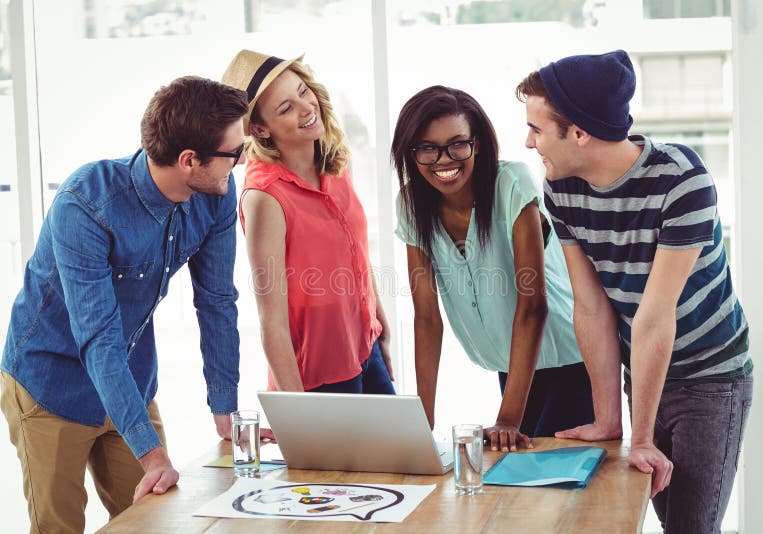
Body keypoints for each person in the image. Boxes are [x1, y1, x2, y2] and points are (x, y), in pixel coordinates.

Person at [1, 76, 252, 533]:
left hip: (130, 378)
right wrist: (151, 450)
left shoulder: (214, 193)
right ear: (189, 160)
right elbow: (97, 337)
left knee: (153, 522)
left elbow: (217, 301)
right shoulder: (86, 203)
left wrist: (226, 413)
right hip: (50, 384)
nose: (241, 161)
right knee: (58, 528)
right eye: (235, 153)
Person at [517, 50, 752, 533]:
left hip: (711, 377)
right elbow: (592, 305)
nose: (528, 141)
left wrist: (640, 438)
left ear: (579, 133)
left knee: (689, 526)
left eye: (537, 129)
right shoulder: (561, 189)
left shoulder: (681, 179)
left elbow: (654, 315)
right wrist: (610, 421)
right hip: (644, 370)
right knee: (660, 511)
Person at [392, 85, 594, 452]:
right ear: (410, 153)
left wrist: (507, 419)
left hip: (571, 359)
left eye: (457, 144)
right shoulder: (410, 204)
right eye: (427, 148)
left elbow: (533, 306)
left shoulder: (511, 183)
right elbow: (426, 316)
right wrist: (422, 420)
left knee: (560, 492)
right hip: (512, 362)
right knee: (523, 490)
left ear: (478, 144)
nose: (444, 160)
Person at [220, 50, 395, 397]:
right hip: (318, 377)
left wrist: (381, 328)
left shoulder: (335, 161)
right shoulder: (265, 198)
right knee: (344, 455)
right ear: (260, 130)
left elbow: (355, 252)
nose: (305, 108)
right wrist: (299, 415)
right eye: (286, 108)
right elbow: (272, 322)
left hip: (365, 346)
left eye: (303, 91)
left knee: (399, 452)